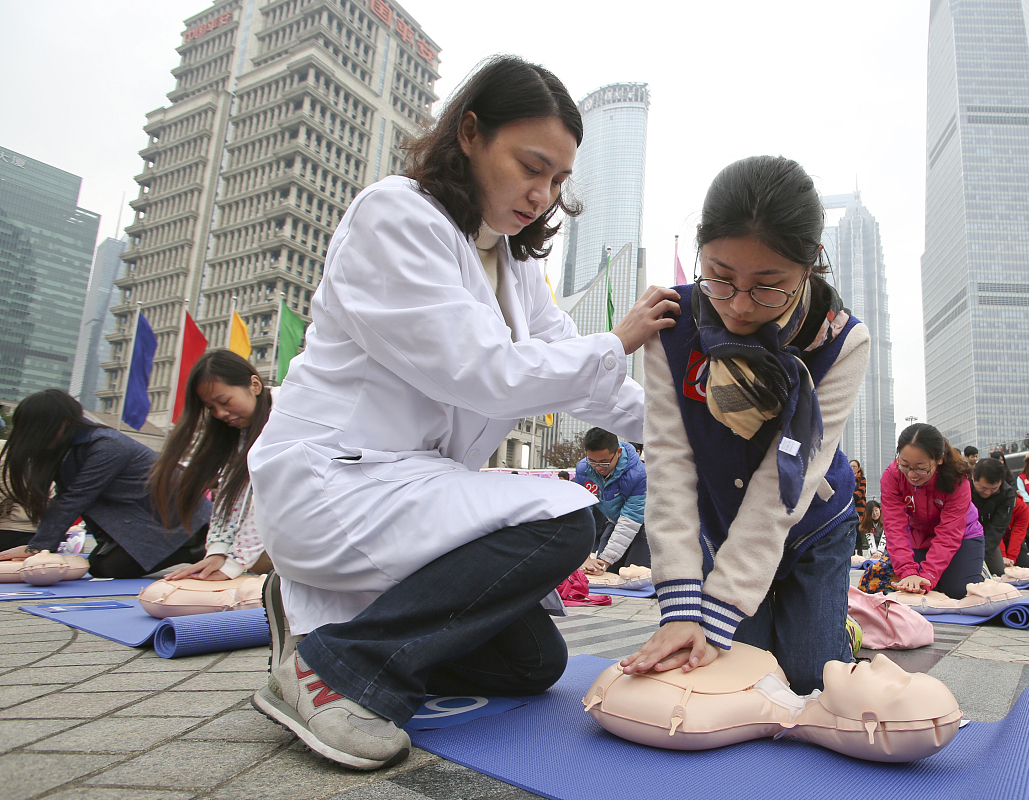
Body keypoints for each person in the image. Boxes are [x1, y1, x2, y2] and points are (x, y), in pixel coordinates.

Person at [244, 56, 679, 771]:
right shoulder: (395, 216)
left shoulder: (510, 262)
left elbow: (582, 380)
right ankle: (334, 670)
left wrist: (685, 433)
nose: (542, 195)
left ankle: (326, 618)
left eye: (558, 181)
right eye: (531, 167)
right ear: (470, 134)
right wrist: (620, 338)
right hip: (335, 481)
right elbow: (486, 375)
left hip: (412, 491)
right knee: (566, 516)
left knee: (532, 664)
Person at [621, 155, 870, 695]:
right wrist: (682, 608)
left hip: (810, 521)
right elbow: (669, 462)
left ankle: (836, 634)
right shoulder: (671, 324)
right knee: (733, 677)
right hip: (723, 521)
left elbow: (783, 485)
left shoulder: (842, 342)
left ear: (810, 264)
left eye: (768, 286)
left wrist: (722, 606)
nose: (737, 305)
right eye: (719, 276)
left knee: (809, 678)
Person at [0, 389, 210, 576]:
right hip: (144, 520)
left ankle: (196, 549)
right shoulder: (68, 449)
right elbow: (65, 498)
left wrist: (37, 548)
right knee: (99, 566)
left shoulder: (107, 445)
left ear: (64, 421)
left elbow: (75, 498)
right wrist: (40, 546)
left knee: (110, 567)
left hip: (183, 520)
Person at [148, 350, 274, 581]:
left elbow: (275, 497)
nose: (220, 413)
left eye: (224, 402)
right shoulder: (241, 433)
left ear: (255, 385)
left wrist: (234, 564)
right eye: (210, 408)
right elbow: (231, 494)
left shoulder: (288, 419)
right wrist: (217, 551)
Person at [876, 424, 984, 600]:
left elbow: (949, 533)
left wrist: (928, 575)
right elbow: (894, 526)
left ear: (939, 459)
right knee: (909, 590)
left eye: (921, 467)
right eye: (905, 465)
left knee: (958, 591)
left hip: (962, 534)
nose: (912, 475)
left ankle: (976, 569)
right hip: (919, 536)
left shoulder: (956, 480)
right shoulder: (893, 476)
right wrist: (907, 571)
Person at [574, 428, 649, 573]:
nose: (598, 468)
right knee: (600, 570)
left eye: (604, 462)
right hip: (614, 521)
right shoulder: (584, 469)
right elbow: (581, 515)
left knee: (634, 573)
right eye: (592, 461)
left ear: (618, 452)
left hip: (644, 525)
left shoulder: (639, 474)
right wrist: (584, 556)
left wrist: (606, 561)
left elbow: (631, 519)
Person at [971, 458, 1016, 577]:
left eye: (994, 489)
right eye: (983, 488)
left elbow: (998, 527)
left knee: (998, 571)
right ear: (973, 477)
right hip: (963, 534)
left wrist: (981, 554)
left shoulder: (1007, 494)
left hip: (987, 536)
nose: (987, 493)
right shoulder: (962, 486)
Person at [1001, 496, 1029, 569]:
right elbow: (994, 533)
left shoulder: (1023, 508)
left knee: (1024, 565)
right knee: (998, 567)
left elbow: (1018, 533)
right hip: (994, 538)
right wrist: (1003, 556)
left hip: (1011, 539)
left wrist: (1011, 558)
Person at [850, 459, 867, 553]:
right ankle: (851, 552)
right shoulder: (846, 478)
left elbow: (860, 493)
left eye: (854, 466)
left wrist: (849, 496)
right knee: (850, 529)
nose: (852, 468)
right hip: (849, 508)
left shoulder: (862, 479)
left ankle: (860, 551)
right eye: (850, 466)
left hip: (859, 508)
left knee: (858, 530)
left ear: (858, 468)